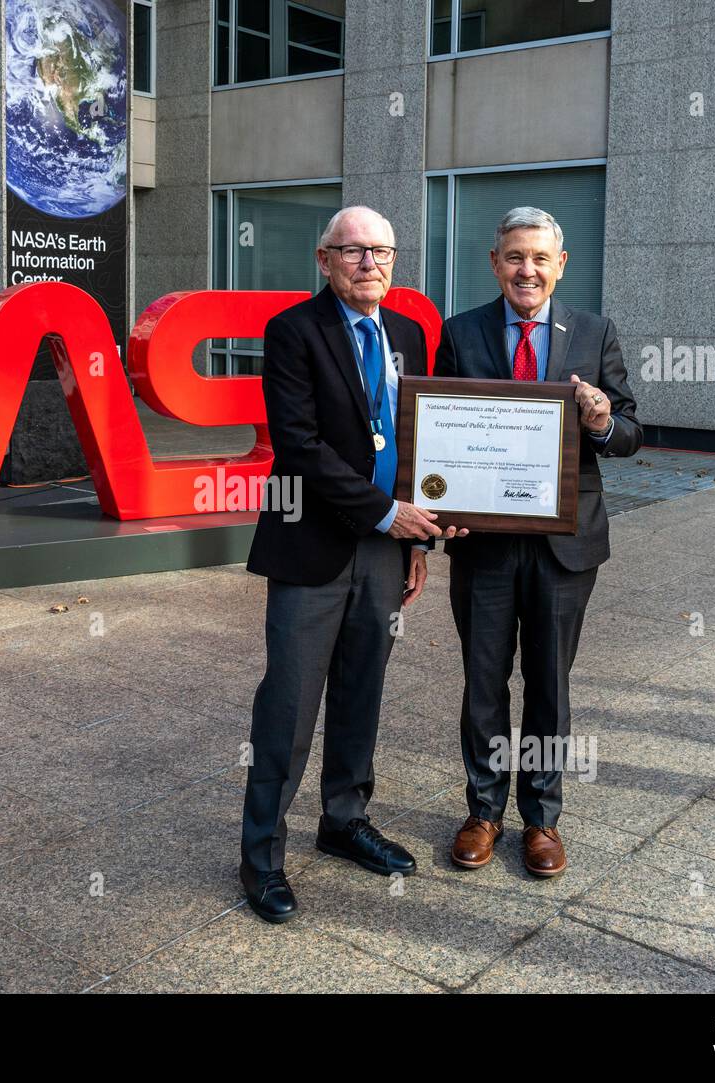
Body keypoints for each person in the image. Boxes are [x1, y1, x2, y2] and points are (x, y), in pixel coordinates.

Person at [238, 205, 457, 923]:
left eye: (383, 251)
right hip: (312, 545)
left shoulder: (407, 334)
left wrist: (414, 537)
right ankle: (261, 855)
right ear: (324, 260)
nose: (371, 263)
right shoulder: (293, 333)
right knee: (290, 704)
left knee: (362, 691)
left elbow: (416, 440)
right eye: (354, 250)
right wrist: (386, 512)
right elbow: (299, 446)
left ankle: (343, 820)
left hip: (385, 550)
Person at [435, 206, 641, 878]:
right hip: (485, 544)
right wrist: (439, 507)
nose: (528, 269)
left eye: (540, 258)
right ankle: (485, 810)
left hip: (566, 545)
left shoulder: (594, 331)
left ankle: (542, 818)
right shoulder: (459, 332)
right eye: (515, 256)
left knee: (549, 685)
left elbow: (632, 432)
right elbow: (439, 427)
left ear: (561, 265)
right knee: (485, 684)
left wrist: (605, 418)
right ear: (495, 262)